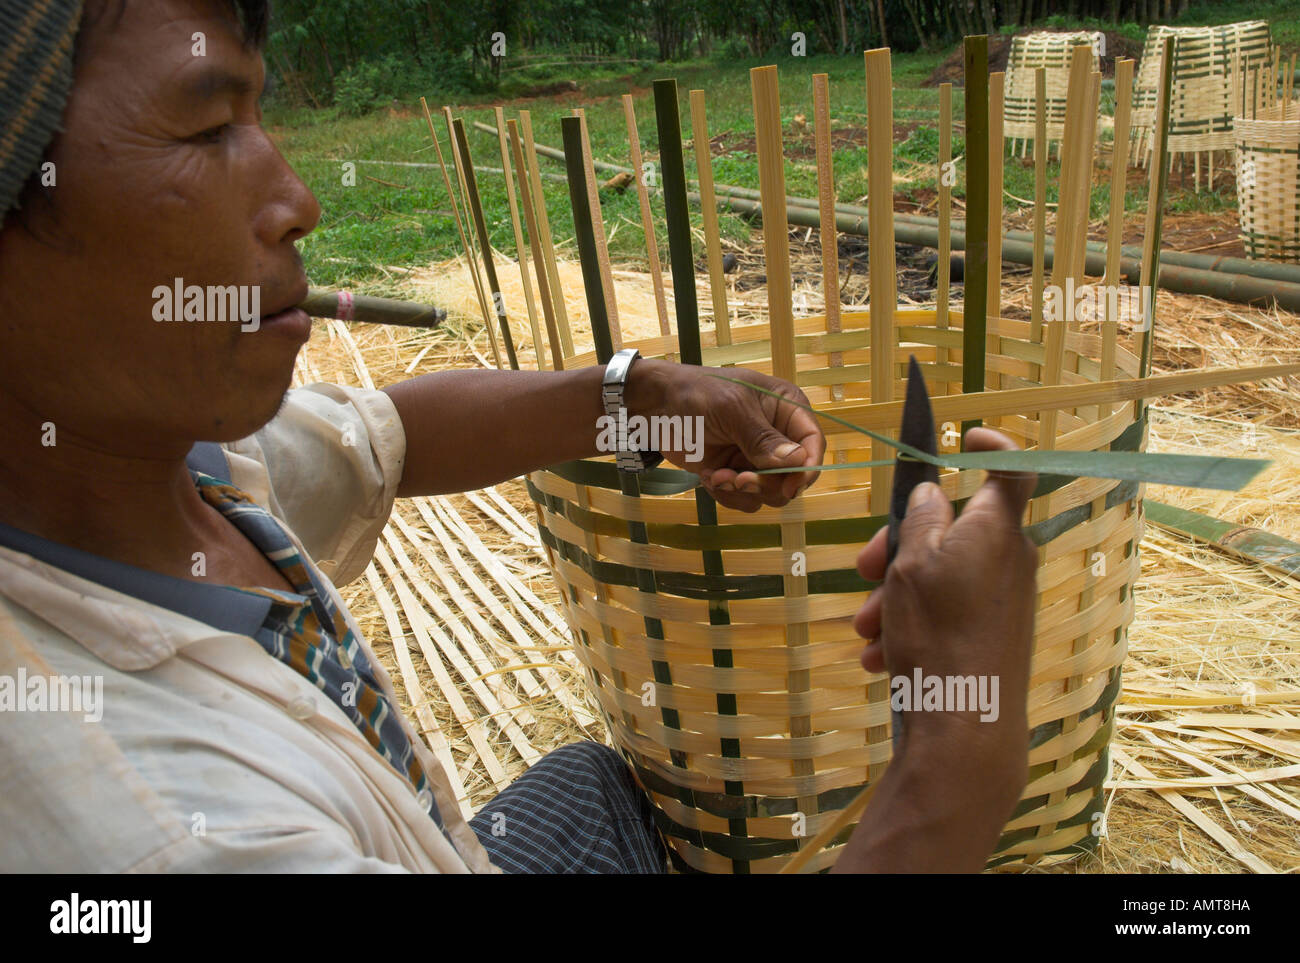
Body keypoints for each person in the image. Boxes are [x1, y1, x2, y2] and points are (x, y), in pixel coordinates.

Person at [0, 0, 1036, 873]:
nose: (299, 201)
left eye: (259, 120)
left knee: (597, 786)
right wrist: (957, 751)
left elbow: (389, 436)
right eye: (205, 131)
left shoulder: (155, 461)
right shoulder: (155, 830)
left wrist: (644, 397)